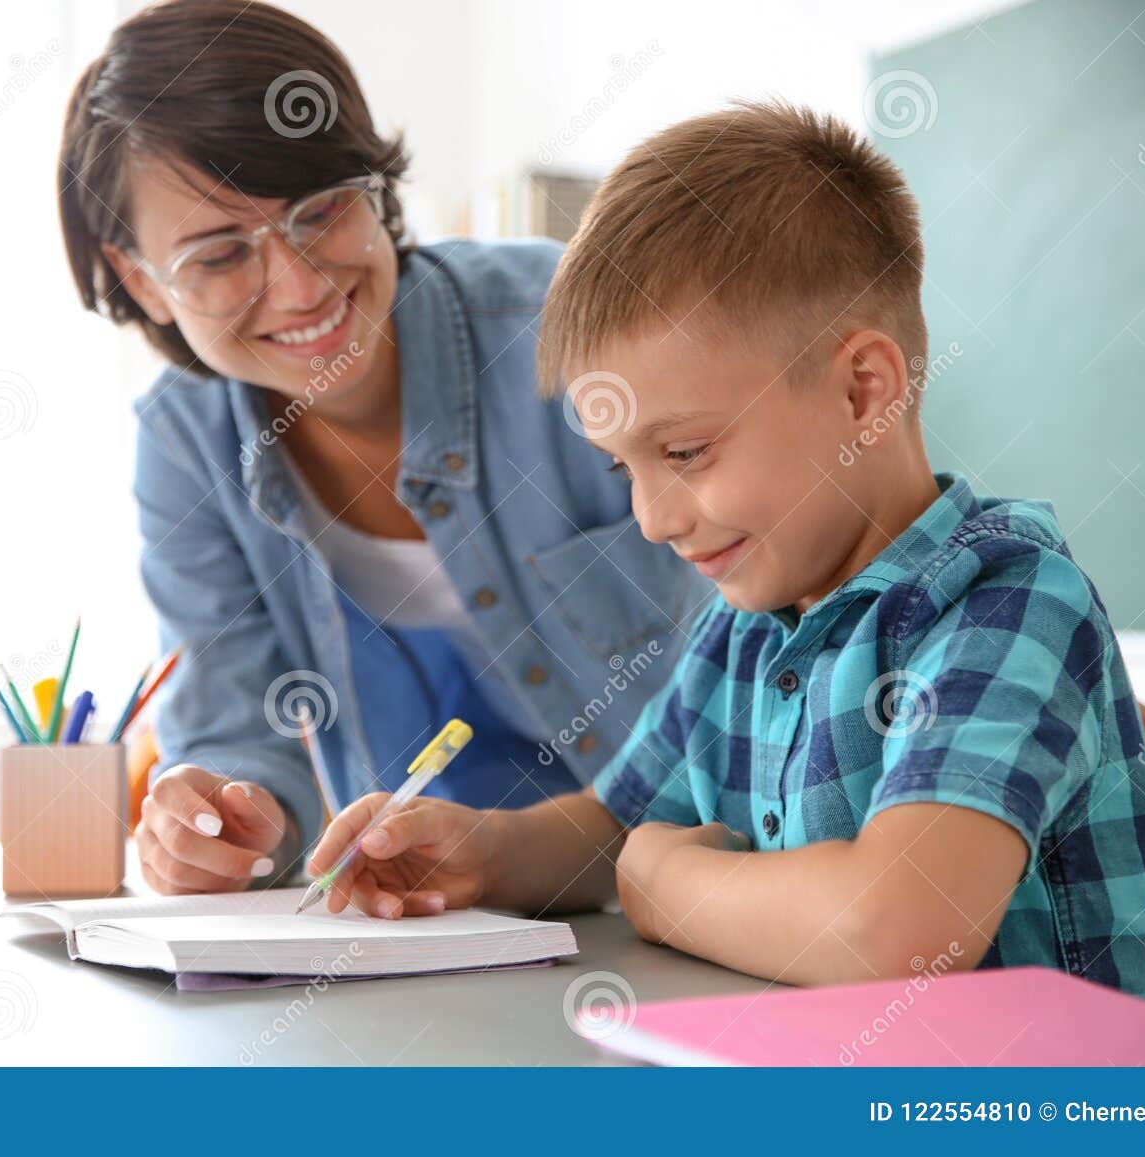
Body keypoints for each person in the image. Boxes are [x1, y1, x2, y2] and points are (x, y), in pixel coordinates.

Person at [308, 102, 1145, 1000]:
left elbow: (893, 928)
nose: (650, 518)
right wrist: (479, 852)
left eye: (684, 453)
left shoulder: (1008, 602)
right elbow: (619, 825)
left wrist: (662, 886)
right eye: (624, 470)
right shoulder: (748, 624)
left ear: (861, 391)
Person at [57, 0, 700, 897]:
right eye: (218, 254)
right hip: (435, 928)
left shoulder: (570, 333)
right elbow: (241, 735)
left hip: (692, 901)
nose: (300, 284)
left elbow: (768, 638)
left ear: (375, 186)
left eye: (322, 209)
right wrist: (231, 819)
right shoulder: (184, 444)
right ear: (142, 281)